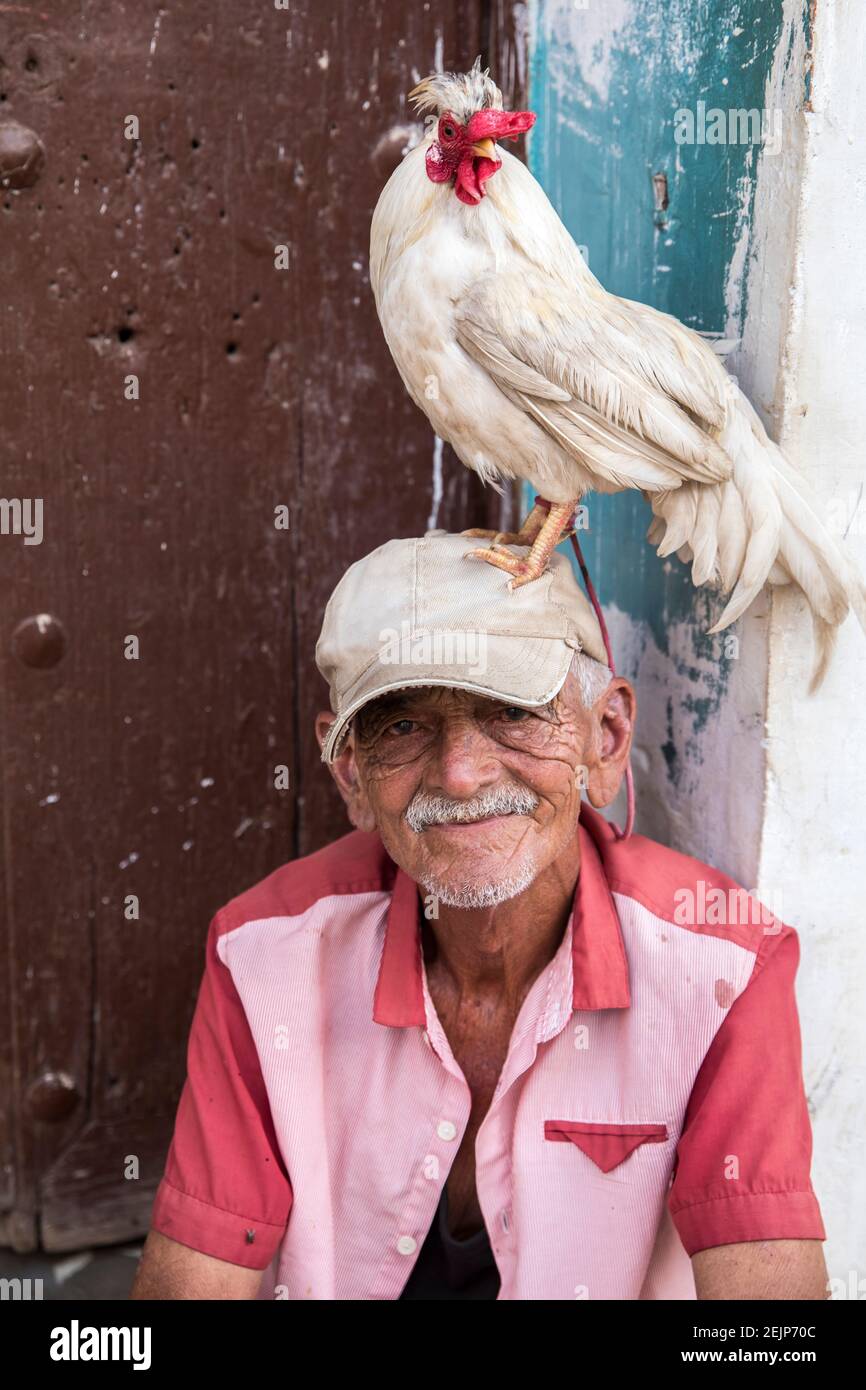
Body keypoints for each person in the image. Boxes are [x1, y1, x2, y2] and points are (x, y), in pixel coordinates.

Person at [131, 530, 828, 1300]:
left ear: (606, 738)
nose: (461, 776)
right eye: (402, 725)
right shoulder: (265, 953)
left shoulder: (727, 967)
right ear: (352, 775)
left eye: (512, 712)